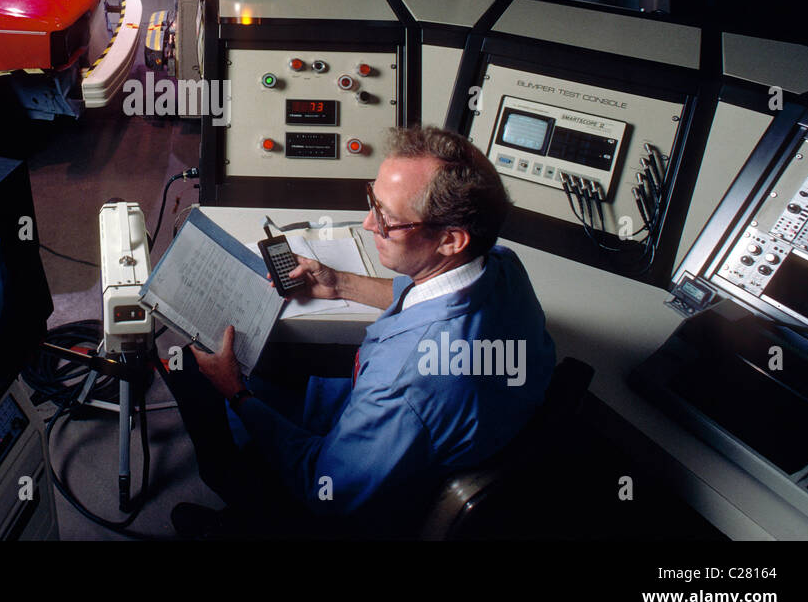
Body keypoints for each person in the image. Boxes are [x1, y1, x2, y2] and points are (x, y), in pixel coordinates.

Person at [162, 125, 557, 537]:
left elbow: (323, 486)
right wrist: (339, 283)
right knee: (273, 362)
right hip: (436, 430)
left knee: (192, 375)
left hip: (356, 497)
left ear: (450, 239)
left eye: (388, 218)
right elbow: (420, 291)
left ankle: (249, 515)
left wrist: (235, 392)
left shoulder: (407, 383)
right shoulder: (499, 262)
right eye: (374, 200)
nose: (369, 224)